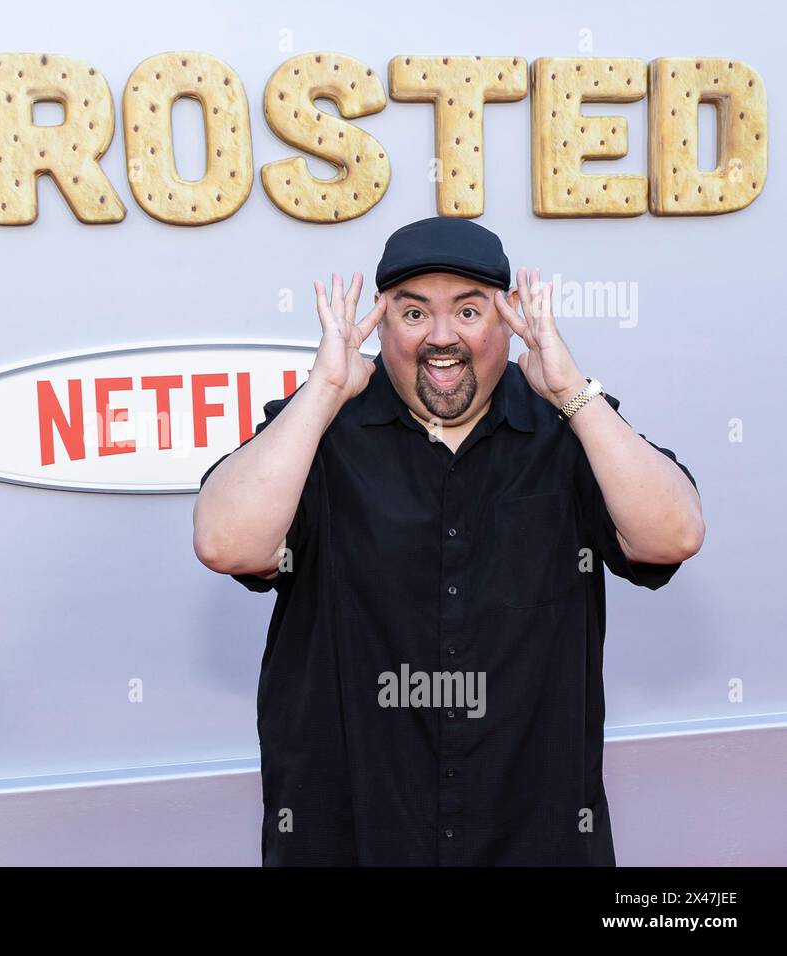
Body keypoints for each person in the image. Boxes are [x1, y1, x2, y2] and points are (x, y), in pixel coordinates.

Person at [192, 216, 704, 866]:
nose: (442, 337)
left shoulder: (567, 427)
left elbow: (673, 535)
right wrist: (322, 394)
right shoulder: (319, 433)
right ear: (380, 326)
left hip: (531, 840)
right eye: (413, 313)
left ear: (509, 319)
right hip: (354, 838)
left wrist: (574, 392)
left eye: (468, 310)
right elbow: (225, 542)